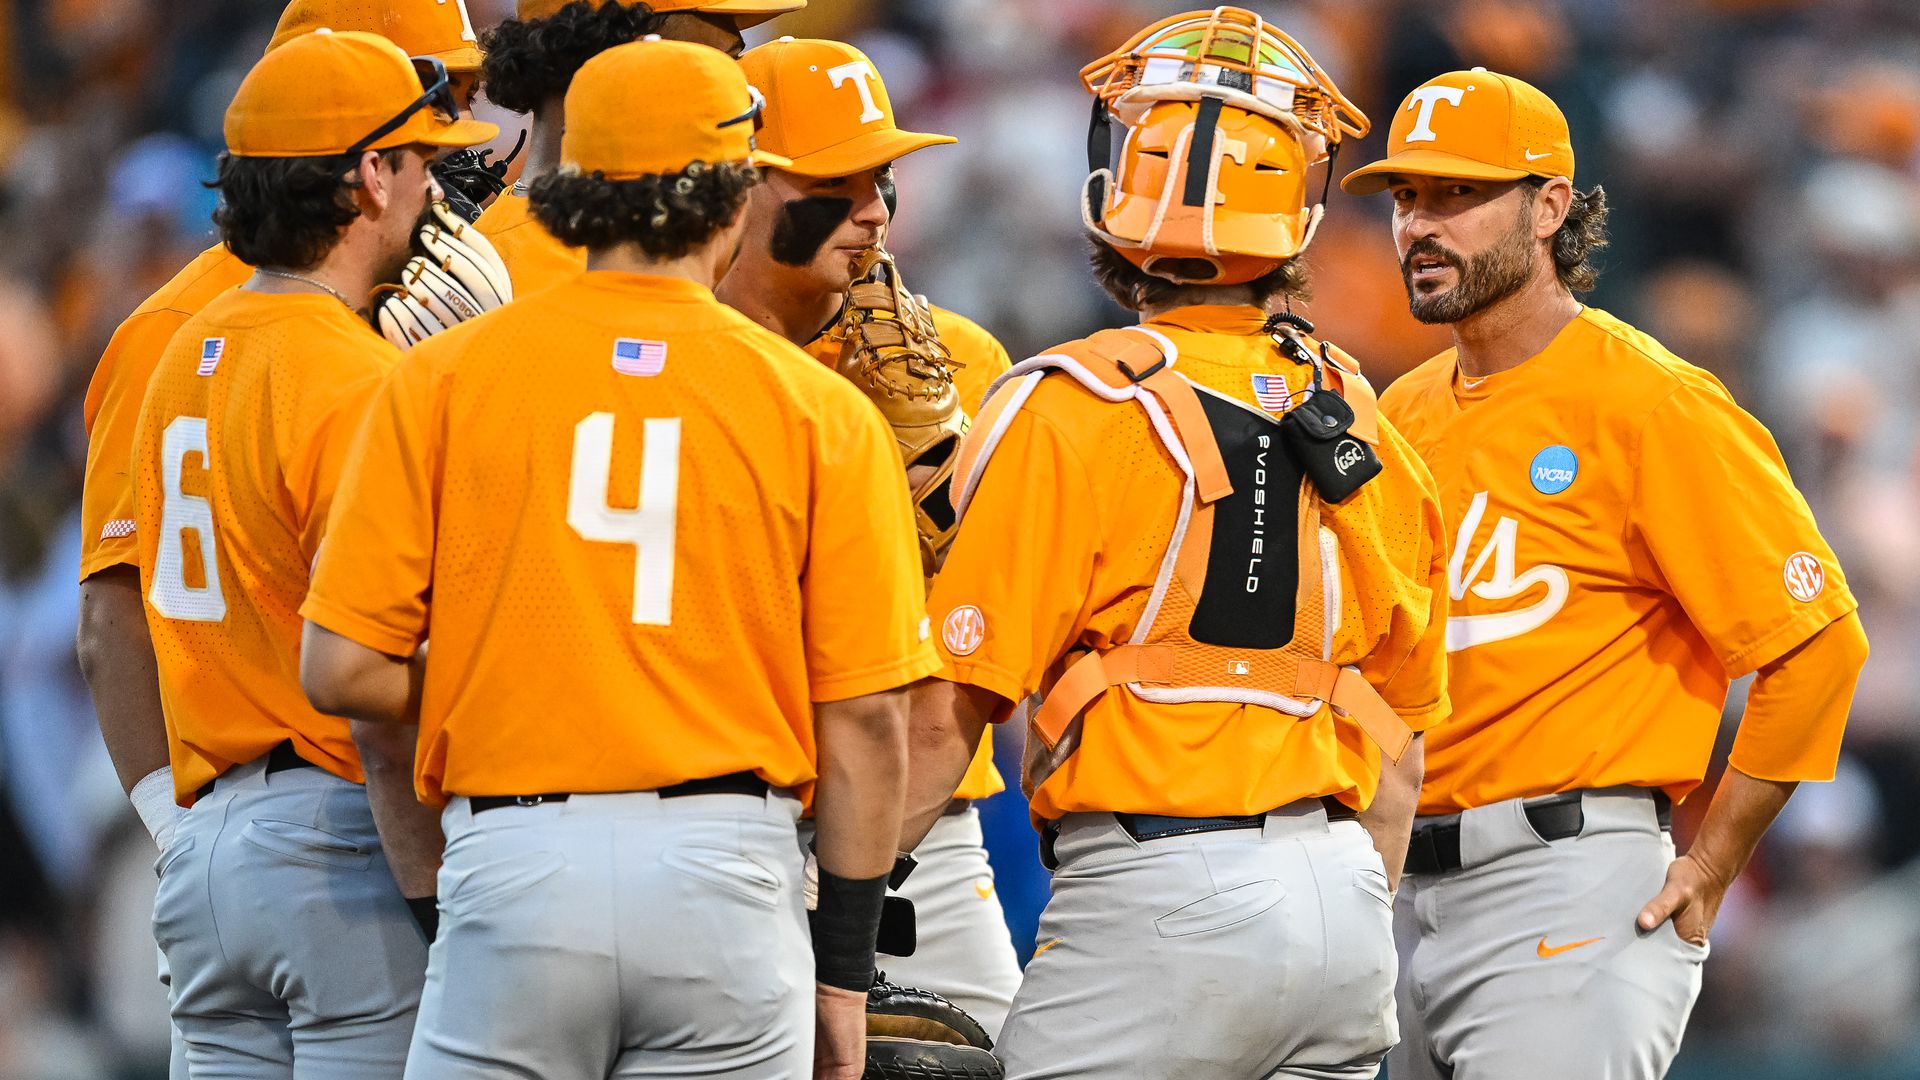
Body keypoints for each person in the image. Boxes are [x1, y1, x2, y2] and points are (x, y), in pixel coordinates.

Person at [297, 39, 933, 1080]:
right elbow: (867, 719)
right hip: (725, 871)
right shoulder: (819, 407)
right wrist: (843, 977)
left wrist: (501, 674)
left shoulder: (440, 377)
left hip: (516, 860)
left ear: (568, 187)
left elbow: (341, 672)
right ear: (739, 197)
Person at [902, 9, 1450, 1078]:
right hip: (1341, 909)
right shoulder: (1361, 412)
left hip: (1159, 891)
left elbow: (944, 723)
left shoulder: (1066, 404)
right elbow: (1400, 742)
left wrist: (827, 923)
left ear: (1114, 192)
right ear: (1297, 208)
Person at [1338, 68, 1871, 1080]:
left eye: (1458, 193)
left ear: (1548, 209)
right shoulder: (1396, 410)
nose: (1419, 225)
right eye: (1407, 197)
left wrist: (1712, 864)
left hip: (1567, 883)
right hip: (1399, 895)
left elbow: (1821, 646)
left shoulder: (1651, 402)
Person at [131, 29, 494, 1076]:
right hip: (339, 845)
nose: (433, 187)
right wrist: (435, 906)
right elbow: (369, 692)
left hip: (204, 850)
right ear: (370, 175)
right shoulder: (358, 375)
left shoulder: (181, 358)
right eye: (420, 160)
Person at [717, 34, 1021, 1037]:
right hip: (727, 816)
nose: (875, 211)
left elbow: (990, 617)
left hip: (918, 837)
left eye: (882, 179)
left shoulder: (962, 362)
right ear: (742, 188)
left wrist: (940, 475)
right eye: (836, 183)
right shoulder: (684, 373)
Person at [473, 0, 804, 294]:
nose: (738, 80)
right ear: (631, 52)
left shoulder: (698, 232)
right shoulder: (493, 276)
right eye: (725, 61)